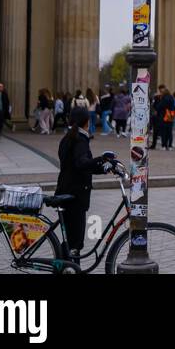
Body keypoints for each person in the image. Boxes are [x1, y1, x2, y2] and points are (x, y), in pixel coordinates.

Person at [55, 106, 117, 260]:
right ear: (87, 122)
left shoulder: (68, 138)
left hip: (65, 191)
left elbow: (79, 167)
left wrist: (103, 168)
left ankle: (66, 266)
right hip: (74, 197)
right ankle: (70, 267)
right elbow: (81, 163)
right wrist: (102, 159)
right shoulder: (80, 139)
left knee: (70, 240)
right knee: (75, 242)